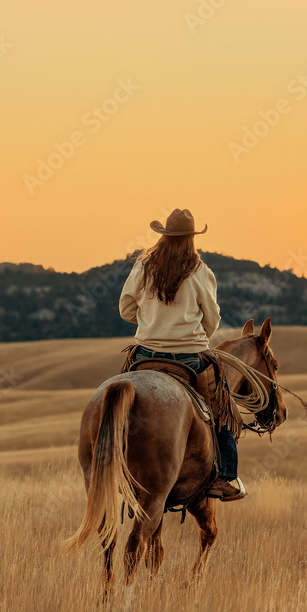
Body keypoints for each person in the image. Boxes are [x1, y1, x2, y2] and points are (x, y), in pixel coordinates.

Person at [118, 208, 246, 502]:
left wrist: (151, 322)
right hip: (189, 357)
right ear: (191, 238)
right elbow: (212, 320)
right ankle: (225, 477)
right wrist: (190, 331)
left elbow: (126, 310)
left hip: (145, 354)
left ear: (163, 235)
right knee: (220, 408)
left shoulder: (143, 266)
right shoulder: (201, 271)